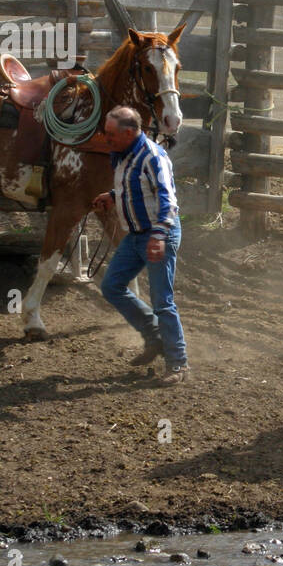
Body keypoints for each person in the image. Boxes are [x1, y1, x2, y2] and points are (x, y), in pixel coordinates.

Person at [92, 106, 189, 384]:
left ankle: (179, 364)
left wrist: (158, 237)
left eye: (111, 134)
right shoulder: (123, 154)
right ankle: (155, 336)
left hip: (157, 234)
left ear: (130, 132)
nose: (105, 138)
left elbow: (169, 203)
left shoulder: (153, 157)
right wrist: (113, 195)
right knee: (111, 286)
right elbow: (136, 186)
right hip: (136, 235)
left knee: (163, 301)